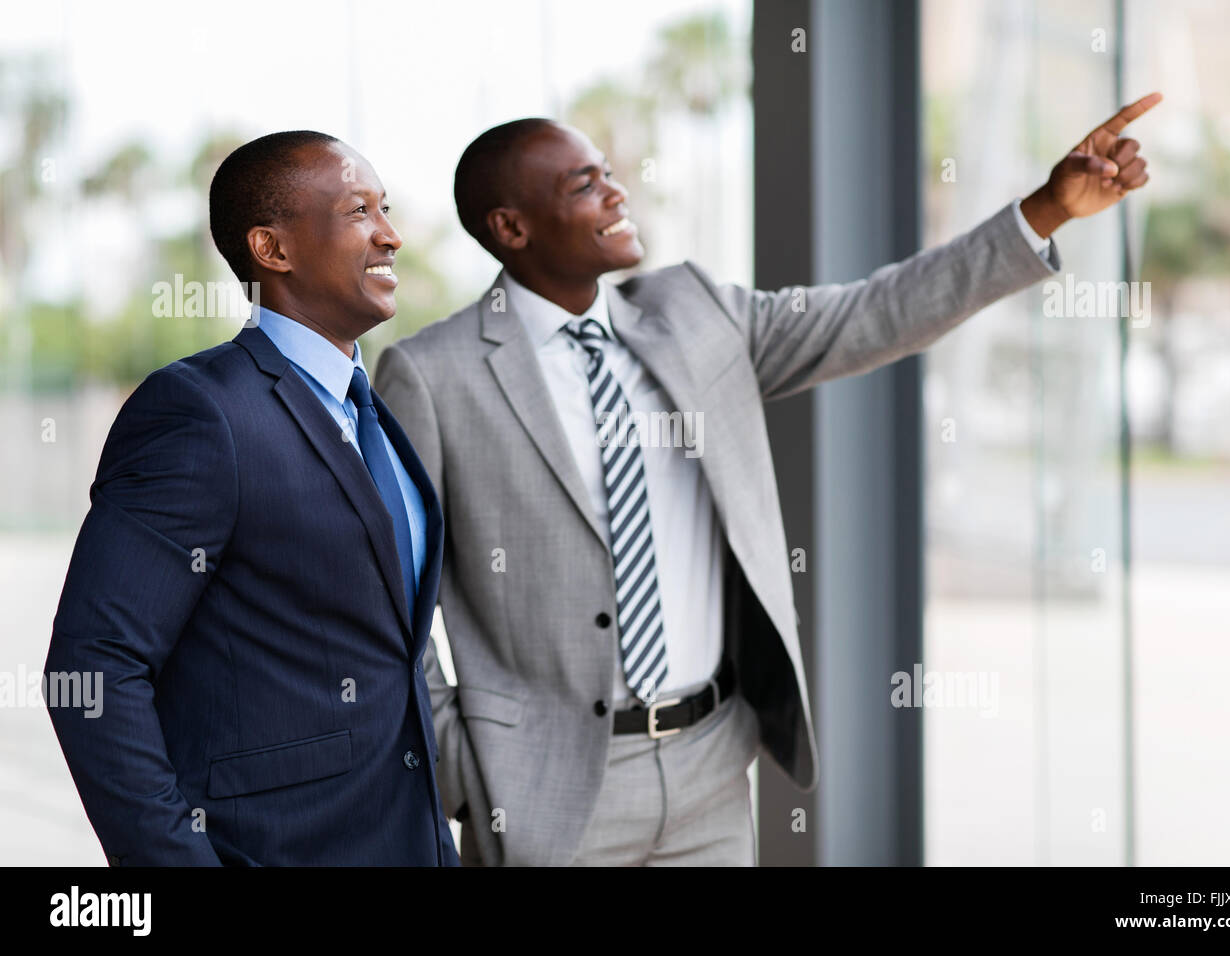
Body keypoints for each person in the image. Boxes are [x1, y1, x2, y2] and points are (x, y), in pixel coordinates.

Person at [374, 94, 1161, 866]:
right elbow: (390, 597)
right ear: (511, 228)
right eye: (584, 184)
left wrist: (1045, 211)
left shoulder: (694, 313)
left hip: (710, 765)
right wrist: (459, 762)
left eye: (609, 172)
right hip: (544, 788)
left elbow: (877, 311)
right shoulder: (433, 374)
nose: (617, 191)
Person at [44, 130, 459, 866]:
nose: (391, 235)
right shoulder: (200, 413)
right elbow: (94, 669)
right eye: (359, 210)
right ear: (273, 250)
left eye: (385, 208)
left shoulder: (376, 414)